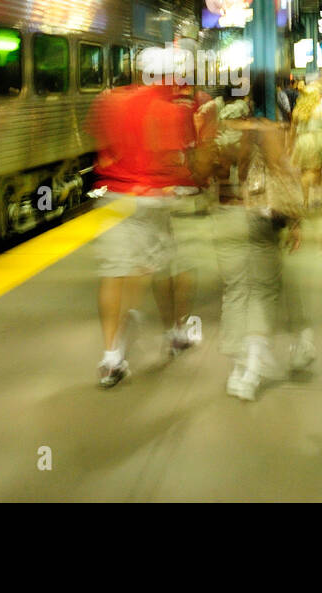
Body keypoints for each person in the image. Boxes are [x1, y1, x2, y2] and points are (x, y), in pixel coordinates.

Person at [87, 48, 213, 388]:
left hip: (113, 197)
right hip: (150, 201)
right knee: (162, 269)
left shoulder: (108, 100)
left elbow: (101, 143)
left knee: (113, 273)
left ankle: (111, 356)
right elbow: (169, 161)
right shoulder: (166, 108)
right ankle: (174, 333)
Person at [214, 76, 305, 400]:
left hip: (226, 215)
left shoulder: (225, 123)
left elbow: (211, 167)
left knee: (235, 291)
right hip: (258, 217)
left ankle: (238, 364)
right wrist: (296, 219)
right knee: (263, 292)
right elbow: (282, 171)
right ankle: (251, 368)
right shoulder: (267, 129)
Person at [288, 81, 322, 211]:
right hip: (317, 139)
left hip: (302, 140)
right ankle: (318, 193)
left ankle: (306, 200)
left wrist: (290, 145)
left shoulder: (298, 109)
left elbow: (293, 128)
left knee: (304, 171)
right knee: (315, 170)